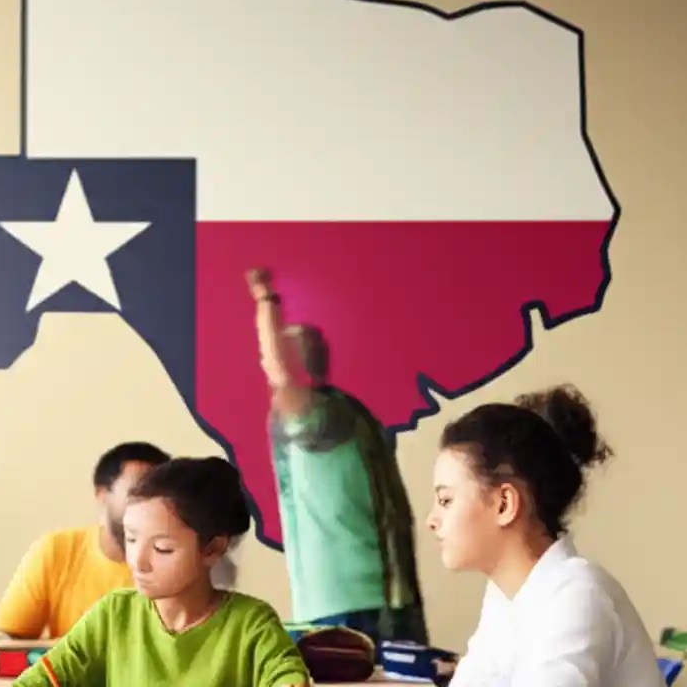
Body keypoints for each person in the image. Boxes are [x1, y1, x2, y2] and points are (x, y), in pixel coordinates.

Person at [428, 385, 664, 686]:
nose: (431, 520)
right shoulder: (505, 597)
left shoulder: (578, 593)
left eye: (446, 500)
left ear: (504, 504)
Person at [246, 268, 427, 646]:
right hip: (378, 596)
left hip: (350, 602)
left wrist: (264, 297)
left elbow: (279, 372)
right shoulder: (343, 415)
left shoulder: (321, 416)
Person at [14, 457, 312, 686]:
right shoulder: (113, 615)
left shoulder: (251, 626)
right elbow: (39, 679)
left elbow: (287, 675)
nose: (138, 561)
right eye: (131, 539)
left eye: (162, 549)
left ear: (211, 548)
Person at [0, 441, 170, 639]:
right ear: (102, 497)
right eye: (138, 495)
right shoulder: (56, 551)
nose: (149, 510)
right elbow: (8, 641)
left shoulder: (181, 561)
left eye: (162, 498)